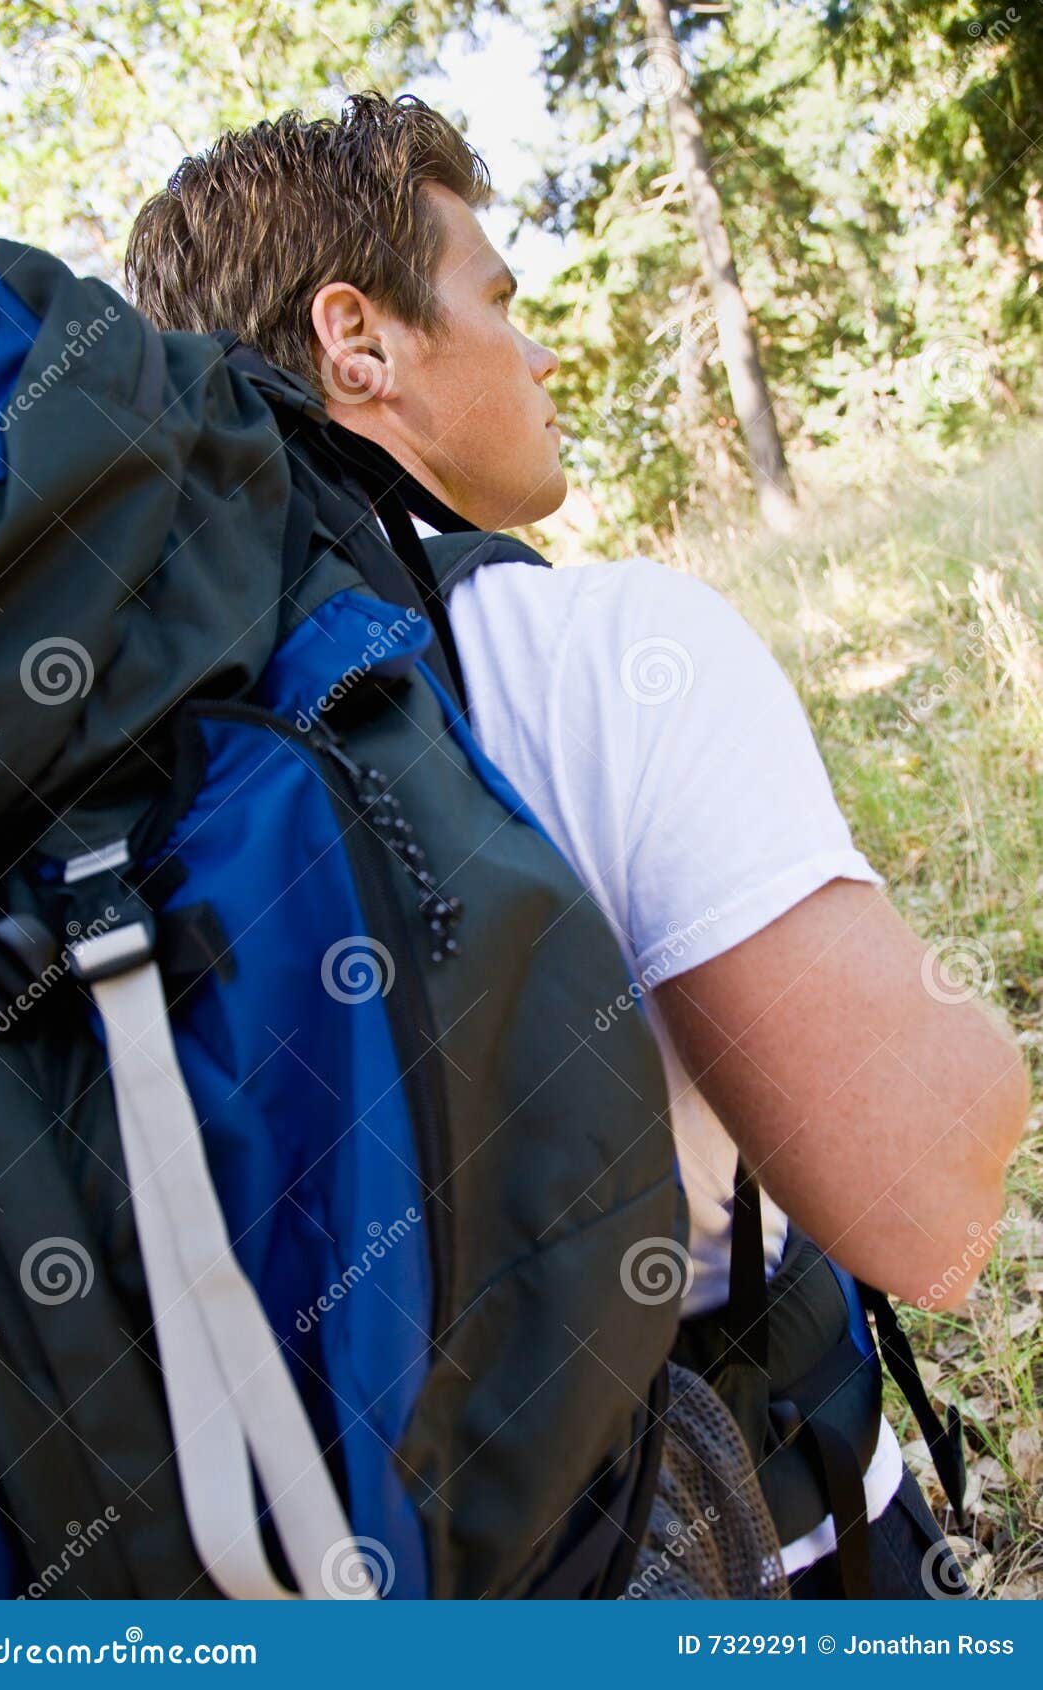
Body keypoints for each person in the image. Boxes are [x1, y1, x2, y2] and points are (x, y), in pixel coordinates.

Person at [123, 95, 1030, 1598]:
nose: (539, 352)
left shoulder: (126, 754)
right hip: (730, 1557)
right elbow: (929, 1213)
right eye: (497, 297)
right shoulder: (605, 652)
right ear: (357, 340)